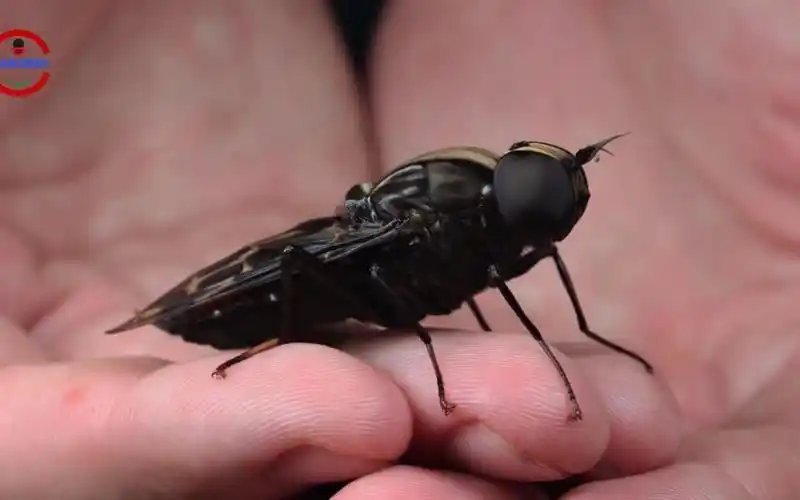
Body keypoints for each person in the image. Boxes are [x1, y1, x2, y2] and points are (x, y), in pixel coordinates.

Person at [0, 2, 795, 499]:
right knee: (313, 293)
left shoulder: (487, 226)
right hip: (270, 296)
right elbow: (355, 260)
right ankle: (265, 337)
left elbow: (488, 268)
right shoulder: (437, 221)